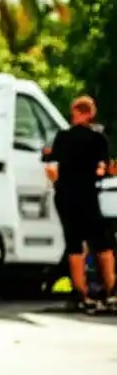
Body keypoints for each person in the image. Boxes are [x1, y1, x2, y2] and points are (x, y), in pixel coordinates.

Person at [43, 95, 115, 313]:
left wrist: (48, 156)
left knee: (74, 246)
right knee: (103, 245)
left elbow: (51, 163)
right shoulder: (98, 139)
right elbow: (104, 168)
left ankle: (82, 294)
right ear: (91, 114)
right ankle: (111, 292)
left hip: (66, 196)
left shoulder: (63, 137)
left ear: (75, 113)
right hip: (87, 196)